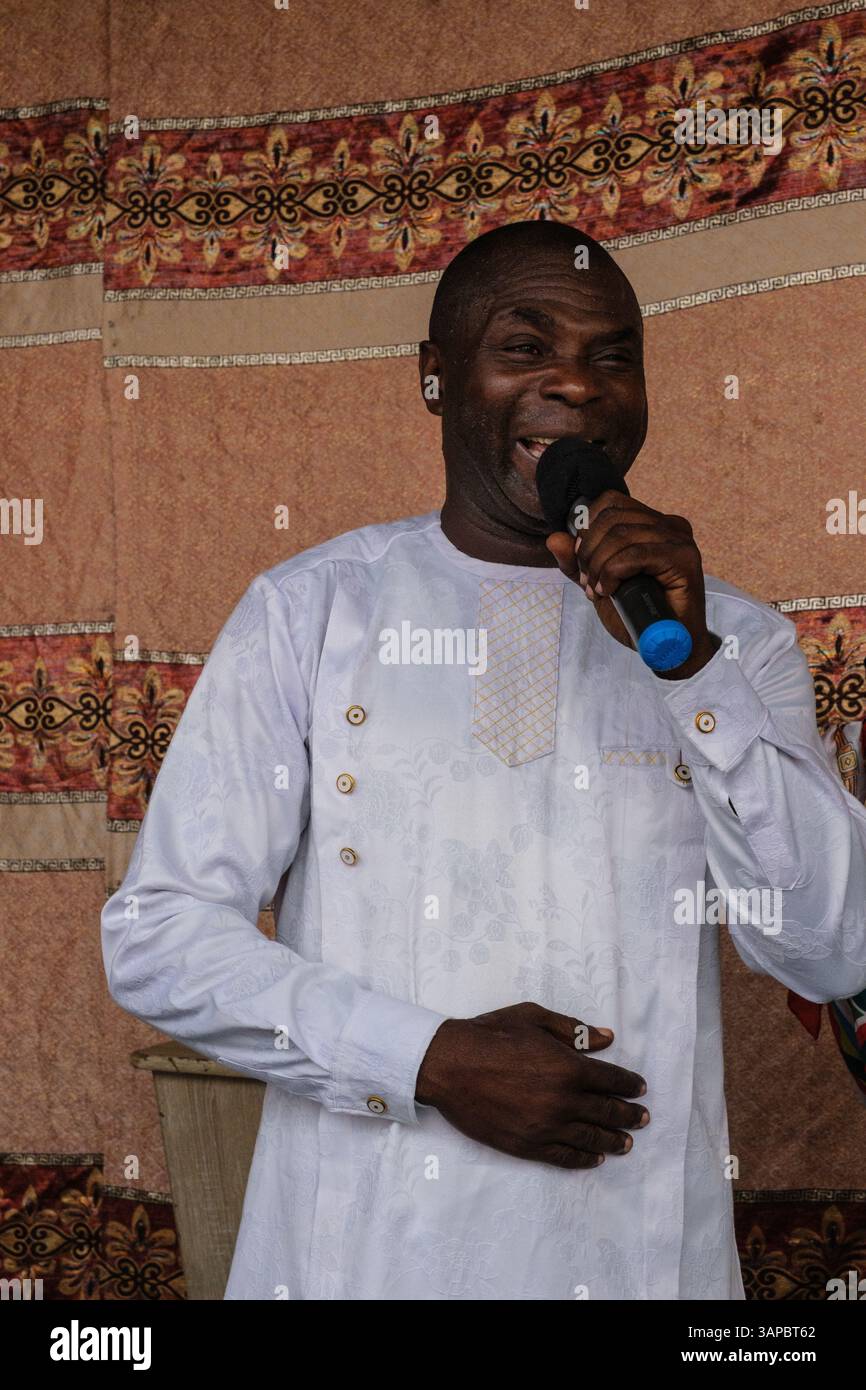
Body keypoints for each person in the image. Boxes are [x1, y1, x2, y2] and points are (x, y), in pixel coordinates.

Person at [101, 219, 866, 1300]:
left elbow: (828, 949)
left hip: (638, 1255)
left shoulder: (730, 642)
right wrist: (426, 1060)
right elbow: (160, 937)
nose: (574, 386)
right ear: (434, 377)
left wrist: (693, 673)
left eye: (611, 357)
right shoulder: (310, 614)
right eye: (524, 348)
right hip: (361, 1255)